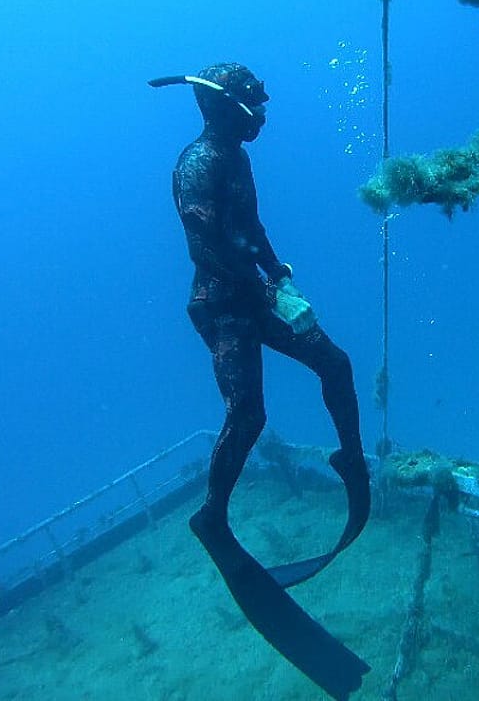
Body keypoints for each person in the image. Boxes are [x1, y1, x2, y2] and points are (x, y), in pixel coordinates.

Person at [154, 62, 372, 698]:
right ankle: (212, 515)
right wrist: (266, 293)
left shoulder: (236, 157)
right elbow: (207, 247)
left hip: (255, 294)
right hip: (223, 305)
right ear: (225, 108)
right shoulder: (197, 164)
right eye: (255, 105)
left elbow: (251, 230)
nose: (264, 116)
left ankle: (349, 455)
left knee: (335, 363)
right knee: (248, 414)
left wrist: (279, 276)